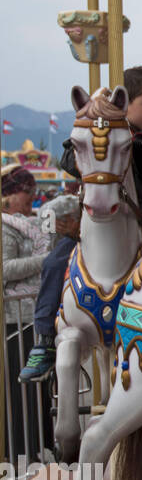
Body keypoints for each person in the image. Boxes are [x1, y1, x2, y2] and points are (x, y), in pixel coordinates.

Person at [20, 68, 142, 381]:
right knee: (55, 262)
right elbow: (71, 163)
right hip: (95, 226)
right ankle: (45, 339)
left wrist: (133, 145)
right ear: (125, 103)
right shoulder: (95, 133)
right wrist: (90, 126)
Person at [2, 164, 53, 458]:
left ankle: (37, 444)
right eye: (27, 191)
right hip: (13, 320)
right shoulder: (6, 226)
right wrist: (45, 261)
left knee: (37, 387)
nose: (32, 198)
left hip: (32, 316)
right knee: (20, 388)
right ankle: (21, 448)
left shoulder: (29, 223)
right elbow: (4, 269)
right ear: (9, 195)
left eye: (34, 192)